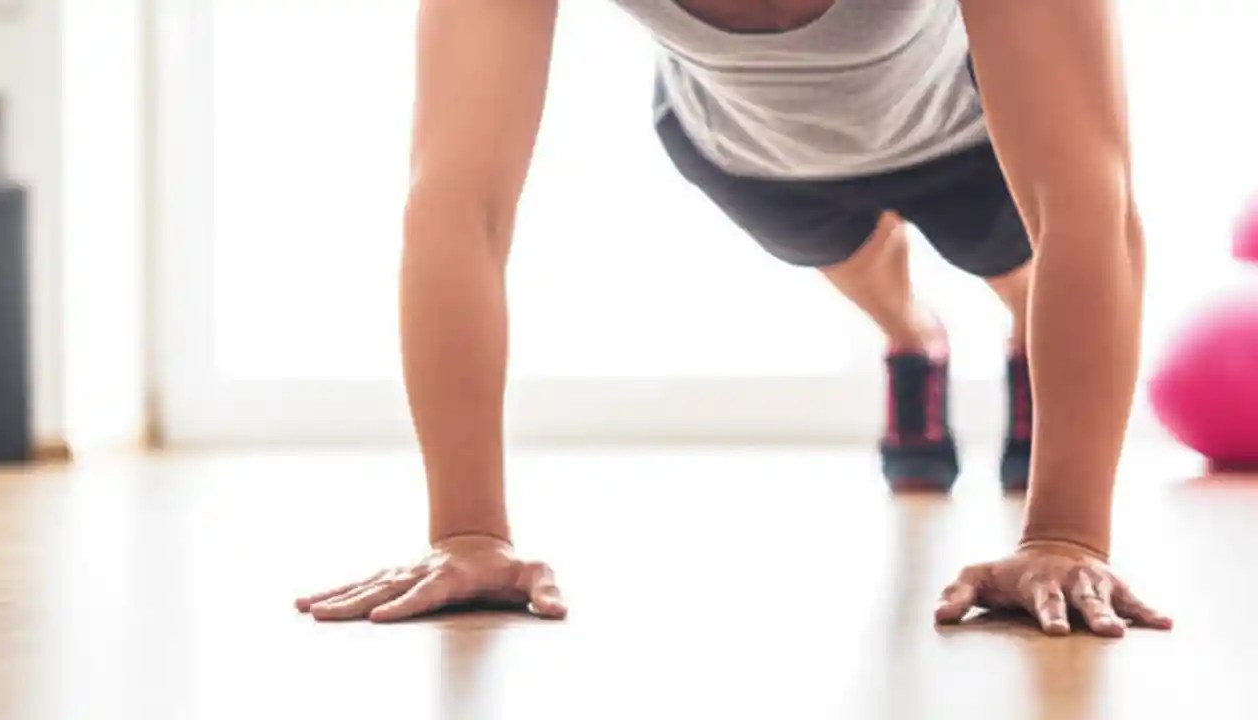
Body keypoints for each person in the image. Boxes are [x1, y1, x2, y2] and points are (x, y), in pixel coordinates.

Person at [295, 0, 1173, 638]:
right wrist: (467, 531)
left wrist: (1064, 533)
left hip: (969, 142)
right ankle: (915, 339)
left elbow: (1087, 206)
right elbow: (458, 203)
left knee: (1022, 273)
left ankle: (1022, 339)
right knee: (869, 269)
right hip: (754, 155)